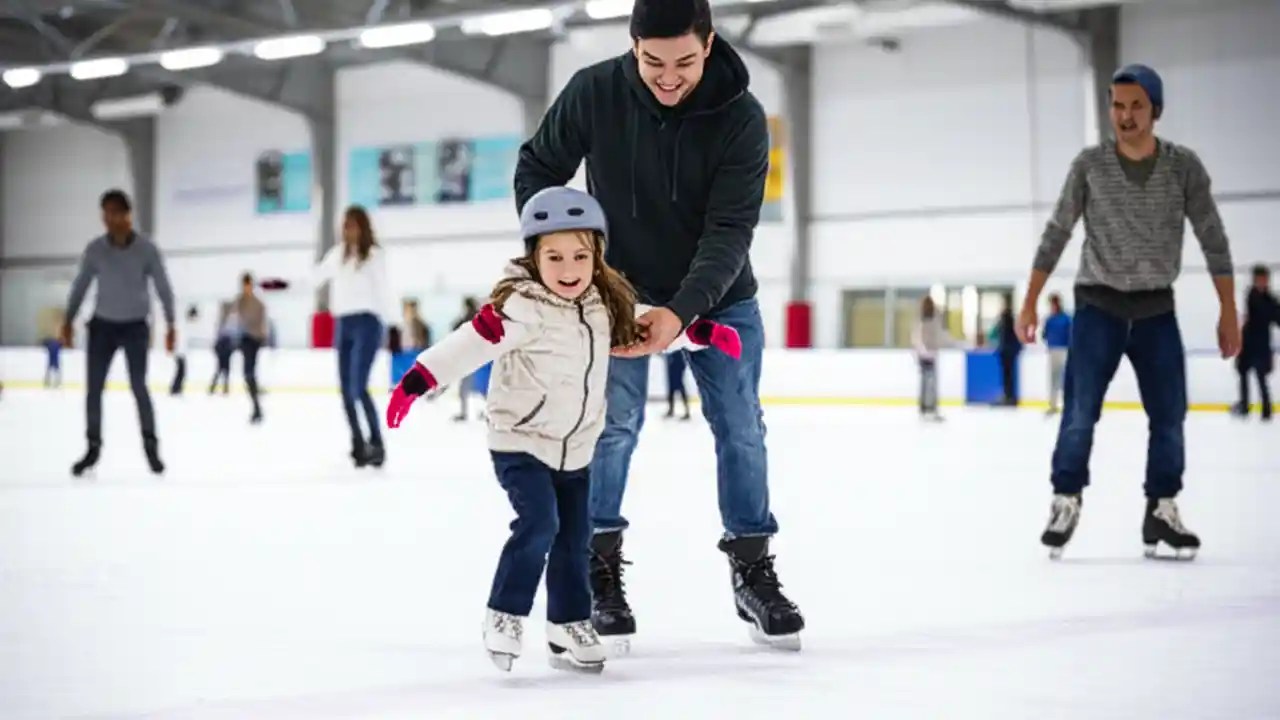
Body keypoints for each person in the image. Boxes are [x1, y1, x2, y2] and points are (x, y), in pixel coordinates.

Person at [513, 0, 804, 650]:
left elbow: (730, 232)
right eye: (652, 63)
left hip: (720, 297)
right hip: (615, 295)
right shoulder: (595, 92)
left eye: (685, 63)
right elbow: (538, 169)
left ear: (709, 44)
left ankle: (752, 568)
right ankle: (598, 569)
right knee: (610, 430)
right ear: (632, 45)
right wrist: (566, 262)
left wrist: (681, 311)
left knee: (740, 426)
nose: (668, 78)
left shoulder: (741, 119)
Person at [384, 187, 740, 672]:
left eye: (580, 255)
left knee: (577, 538)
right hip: (521, 442)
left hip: (576, 450)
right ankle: (504, 614)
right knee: (540, 523)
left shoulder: (603, 305)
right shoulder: (517, 308)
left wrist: (700, 333)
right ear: (534, 256)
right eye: (554, 256)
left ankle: (568, 623)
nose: (569, 268)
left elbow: (644, 326)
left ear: (597, 255)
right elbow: (466, 344)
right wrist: (417, 380)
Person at [1016, 64, 1240, 560]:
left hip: (1157, 309)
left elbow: (1213, 238)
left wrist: (1229, 310)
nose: (1126, 115)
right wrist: (1031, 298)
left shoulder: (1184, 168)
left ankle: (1161, 509)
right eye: (1118, 105)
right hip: (1099, 305)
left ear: (1155, 109)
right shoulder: (1090, 165)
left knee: (1169, 417)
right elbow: (1057, 231)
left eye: (1136, 105)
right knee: (1079, 413)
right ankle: (1065, 498)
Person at [264, 206, 395, 467]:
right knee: (346, 391)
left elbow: (385, 291)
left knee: (359, 387)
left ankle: (377, 444)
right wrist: (285, 284)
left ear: (363, 227)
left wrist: (393, 325)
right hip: (343, 324)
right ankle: (358, 445)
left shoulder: (374, 257)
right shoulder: (338, 256)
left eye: (353, 224)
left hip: (368, 323)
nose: (348, 230)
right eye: (345, 225)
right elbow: (313, 279)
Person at [62, 189, 176, 476]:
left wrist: (171, 324)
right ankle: (92, 448)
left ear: (127, 215)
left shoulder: (147, 250)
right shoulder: (96, 250)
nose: (108, 219)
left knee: (139, 387)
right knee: (94, 390)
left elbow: (163, 288)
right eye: (105, 213)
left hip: (135, 327)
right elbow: (80, 286)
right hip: (102, 327)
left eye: (114, 213)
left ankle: (151, 448)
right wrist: (68, 320)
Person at [1233, 265, 1280, 420]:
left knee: (1261, 376)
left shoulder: (1270, 299)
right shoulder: (1252, 295)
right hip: (1248, 342)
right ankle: (1245, 406)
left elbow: (1275, 317)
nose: (1262, 282)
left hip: (1262, 343)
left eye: (1264, 279)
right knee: (1243, 374)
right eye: (1259, 279)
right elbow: (1264, 313)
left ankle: (1266, 409)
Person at [233, 274, 268, 424]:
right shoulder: (240, 301)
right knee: (248, 375)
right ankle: (257, 408)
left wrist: (260, 337)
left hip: (254, 340)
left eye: (248, 285)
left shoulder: (257, 304)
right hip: (244, 340)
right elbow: (235, 317)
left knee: (249, 374)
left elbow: (259, 324)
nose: (246, 288)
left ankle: (257, 408)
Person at [911, 296, 951, 421]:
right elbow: (920, 337)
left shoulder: (929, 318)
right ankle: (929, 408)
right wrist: (927, 351)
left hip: (927, 354)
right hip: (927, 354)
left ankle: (927, 408)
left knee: (928, 382)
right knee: (930, 382)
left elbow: (933, 336)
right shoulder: (925, 320)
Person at [451, 296, 481, 421]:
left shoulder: (468, 318)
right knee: (479, 387)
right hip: (478, 356)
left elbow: (455, 327)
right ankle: (484, 412)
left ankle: (464, 412)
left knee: (465, 387)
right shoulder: (479, 317)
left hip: (470, 356)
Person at [1042, 294, 1072, 415]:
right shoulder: (1050, 319)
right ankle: (1053, 405)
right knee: (1054, 379)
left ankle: (1068, 405)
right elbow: (1044, 335)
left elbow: (1071, 334)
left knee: (1065, 379)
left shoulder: (1066, 318)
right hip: (1053, 350)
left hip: (1064, 350)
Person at [170, 305, 199, 396]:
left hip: (181, 352)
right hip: (179, 352)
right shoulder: (184, 325)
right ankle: (175, 389)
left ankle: (177, 389)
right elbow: (179, 340)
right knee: (181, 372)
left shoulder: (186, 325)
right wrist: (177, 351)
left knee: (181, 372)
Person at [209, 301, 237, 395]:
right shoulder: (224, 321)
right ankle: (218, 388)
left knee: (224, 369)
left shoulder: (228, 320)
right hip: (223, 346)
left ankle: (223, 388)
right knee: (221, 368)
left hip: (225, 346)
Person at [664, 351, 691, 420]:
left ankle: (686, 411)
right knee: (671, 387)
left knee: (679, 386)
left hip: (677, 363)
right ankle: (671, 409)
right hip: (672, 363)